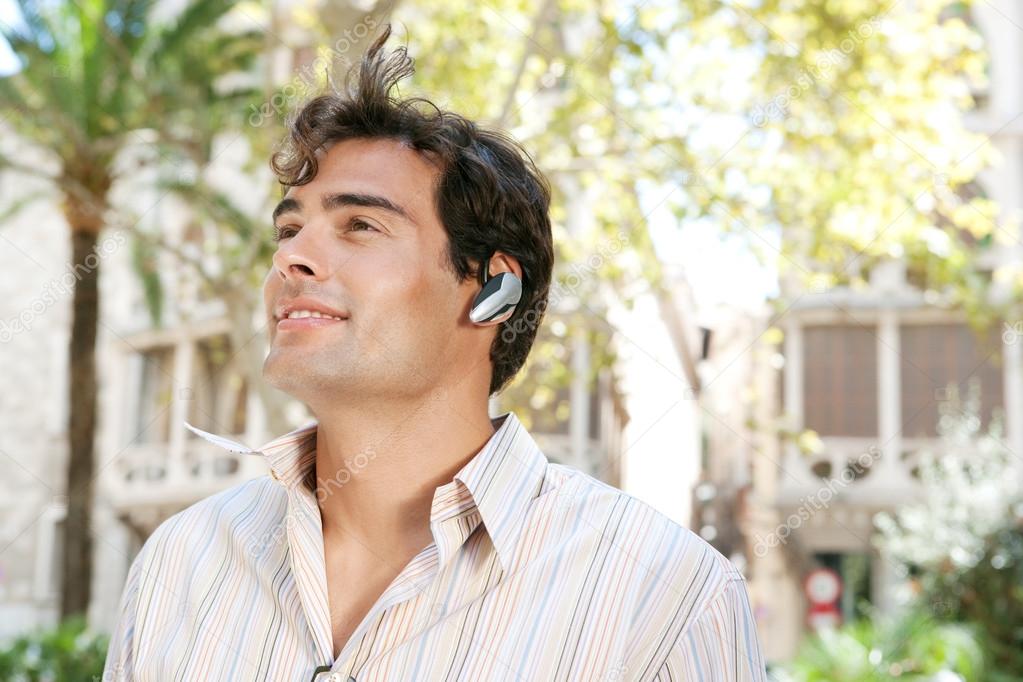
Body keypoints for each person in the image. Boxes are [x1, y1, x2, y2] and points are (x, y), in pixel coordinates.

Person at [102, 25, 767, 681]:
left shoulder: (665, 598)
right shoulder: (180, 564)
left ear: (494, 288)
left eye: (359, 225)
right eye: (290, 228)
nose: (290, 258)